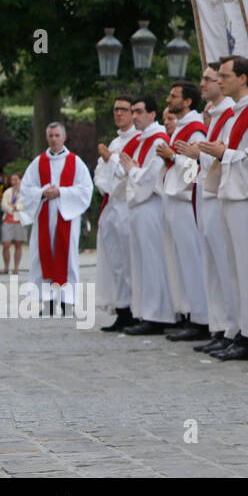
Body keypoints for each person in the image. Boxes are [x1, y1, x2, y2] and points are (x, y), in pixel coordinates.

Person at [200, 55, 248, 361]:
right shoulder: (239, 111)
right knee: (235, 270)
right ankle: (241, 331)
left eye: (225, 75)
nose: (219, 81)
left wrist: (224, 153)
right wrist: (224, 154)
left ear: (243, 78)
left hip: (247, 199)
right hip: (232, 196)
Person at [170, 66, 237, 354]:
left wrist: (182, 158)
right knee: (211, 266)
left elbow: (217, 158)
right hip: (200, 194)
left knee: (222, 265)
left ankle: (228, 327)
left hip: (209, 195)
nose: (204, 84)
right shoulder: (213, 119)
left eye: (209, 79)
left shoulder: (220, 117)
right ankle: (219, 326)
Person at [18, 123, 94, 313]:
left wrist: (61, 191)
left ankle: (67, 300)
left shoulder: (76, 162)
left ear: (64, 137)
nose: (54, 139)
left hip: (66, 216)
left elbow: (85, 189)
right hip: (43, 214)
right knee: (40, 257)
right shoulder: (38, 163)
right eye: (50, 135)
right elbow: (26, 189)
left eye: (57, 135)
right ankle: (45, 300)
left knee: (67, 257)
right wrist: (43, 193)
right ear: (46, 138)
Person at [157, 82, 211, 341]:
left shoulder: (196, 129)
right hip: (174, 201)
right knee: (181, 262)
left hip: (186, 201)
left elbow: (195, 168)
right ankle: (190, 313)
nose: (168, 99)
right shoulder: (181, 128)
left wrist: (171, 156)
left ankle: (201, 318)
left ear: (188, 102)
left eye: (174, 96)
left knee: (193, 261)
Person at [121, 97, 175, 334]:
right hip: (138, 206)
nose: (134, 116)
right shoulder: (143, 140)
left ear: (153, 114)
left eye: (139, 111)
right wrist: (134, 174)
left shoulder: (158, 140)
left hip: (151, 205)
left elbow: (153, 176)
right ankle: (143, 312)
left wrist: (132, 172)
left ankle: (158, 315)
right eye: (133, 111)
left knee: (153, 261)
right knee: (141, 261)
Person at [94, 96, 140, 330]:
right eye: (116, 109)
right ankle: (121, 308)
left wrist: (110, 159)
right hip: (111, 205)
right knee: (116, 262)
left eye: (124, 109)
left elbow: (128, 172)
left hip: (128, 206)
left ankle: (134, 309)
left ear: (133, 113)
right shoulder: (114, 141)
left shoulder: (138, 139)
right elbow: (100, 175)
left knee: (129, 260)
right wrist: (108, 163)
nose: (119, 113)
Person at [0, 173, 27, 276]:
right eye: (12, 180)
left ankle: (16, 268)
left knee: (18, 244)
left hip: (19, 221)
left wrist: (16, 207)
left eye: (16, 179)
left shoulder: (24, 193)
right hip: (7, 220)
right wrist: (13, 208)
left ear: (20, 180)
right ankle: (6, 267)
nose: (13, 182)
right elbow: (3, 205)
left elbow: (25, 205)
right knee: (6, 244)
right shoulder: (7, 192)